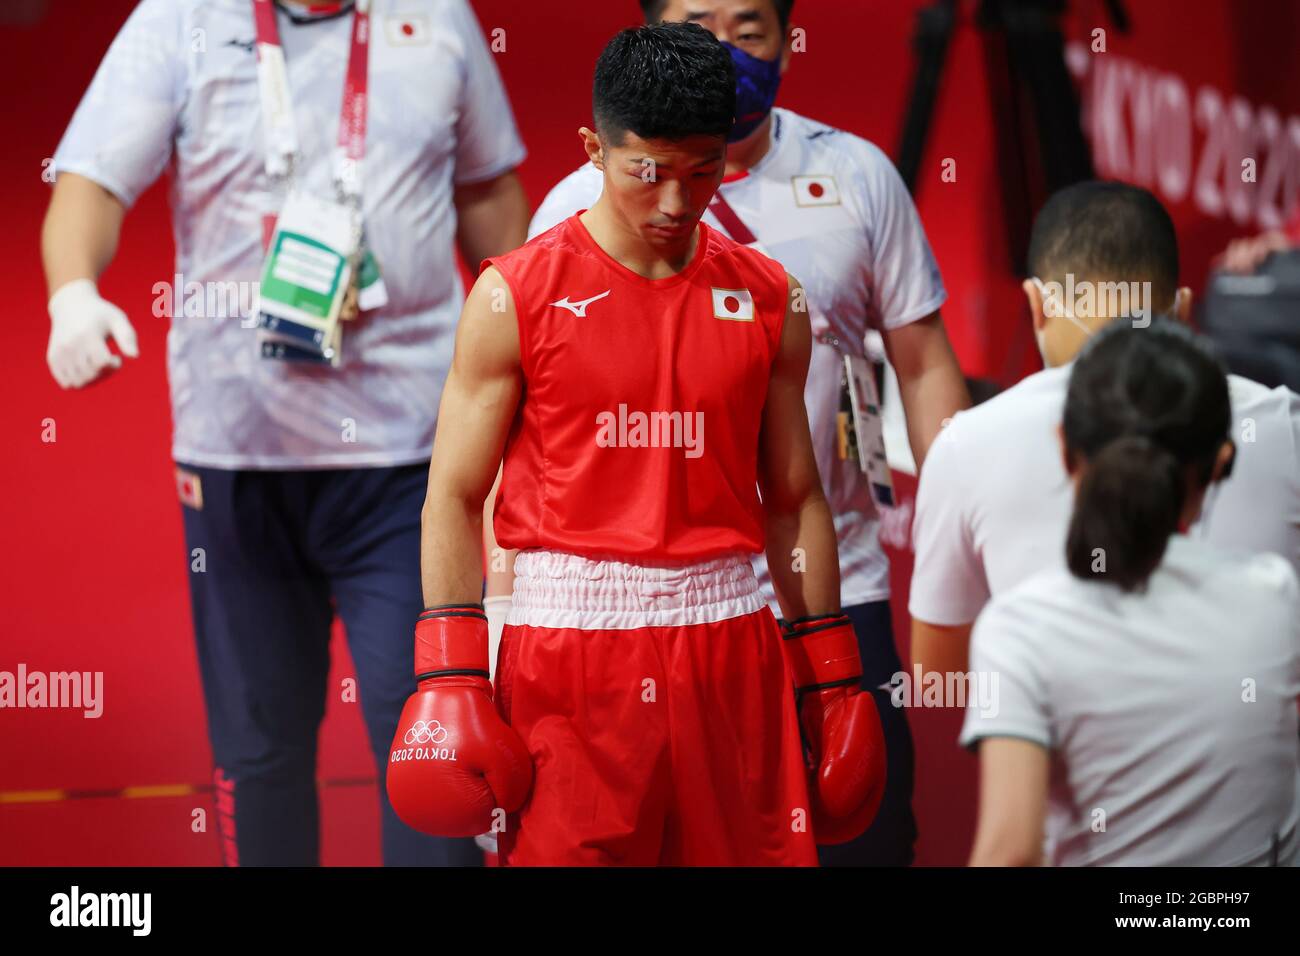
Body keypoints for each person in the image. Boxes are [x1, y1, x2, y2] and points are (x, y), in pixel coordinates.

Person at [385, 21, 888, 866]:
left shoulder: (771, 298)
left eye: (702, 172)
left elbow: (795, 497)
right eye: (646, 172)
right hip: (568, 660)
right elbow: (455, 496)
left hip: (733, 646)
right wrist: (451, 673)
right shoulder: (516, 294)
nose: (673, 203)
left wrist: (832, 672)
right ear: (593, 148)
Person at [42, 0, 528, 866]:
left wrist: (539, 351)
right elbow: (91, 179)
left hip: (412, 461)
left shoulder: (437, 19)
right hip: (237, 458)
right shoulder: (177, 20)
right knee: (258, 752)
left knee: (434, 749)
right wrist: (72, 290)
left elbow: (487, 187)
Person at [517, 0, 971, 866]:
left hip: (831, 572)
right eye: (698, 23)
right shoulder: (573, 204)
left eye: (749, 29)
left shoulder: (857, 173)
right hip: (647, 609)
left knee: (862, 836)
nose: (723, 50)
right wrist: (492, 628)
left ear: (788, 43)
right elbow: (529, 431)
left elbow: (921, 363)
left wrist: (960, 518)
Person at [910, 181, 1300, 679]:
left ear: (1037, 304)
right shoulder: (1282, 426)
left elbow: (938, 677)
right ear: (1181, 309)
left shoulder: (966, 444)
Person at [963, 320, 1300, 866]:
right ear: (1219, 466)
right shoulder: (1277, 598)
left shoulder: (1019, 630)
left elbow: (1009, 854)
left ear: (1066, 451)